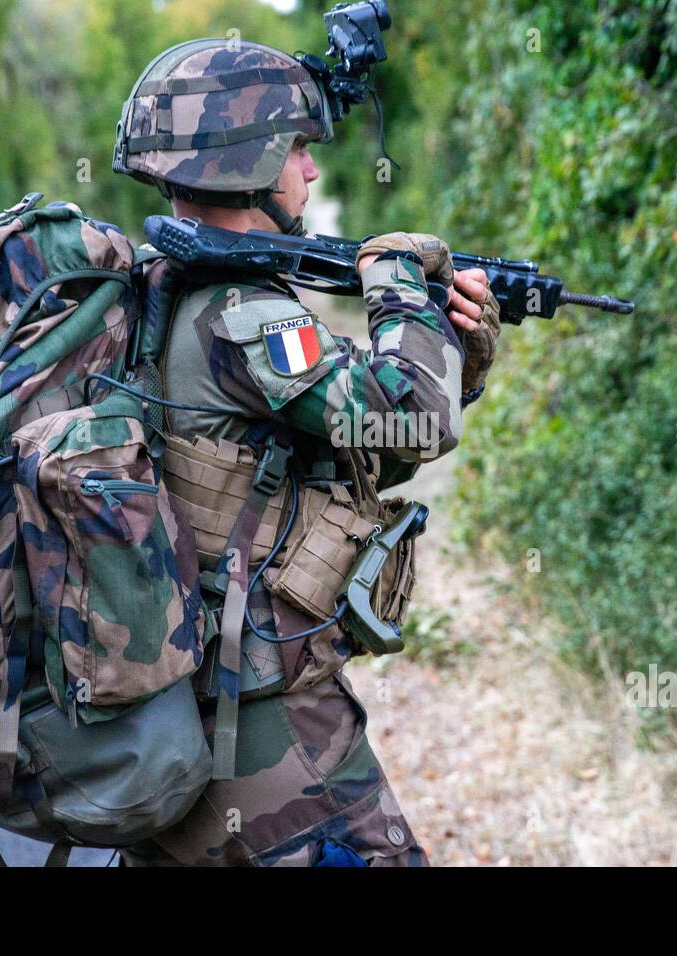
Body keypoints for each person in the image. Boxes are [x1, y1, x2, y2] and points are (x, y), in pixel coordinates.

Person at [111, 38, 500, 866]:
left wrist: (457, 361)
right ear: (243, 158)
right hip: (257, 723)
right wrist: (396, 280)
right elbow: (409, 419)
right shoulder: (244, 312)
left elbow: (348, 455)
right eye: (296, 147)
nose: (310, 172)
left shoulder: (157, 285)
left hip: (175, 704)